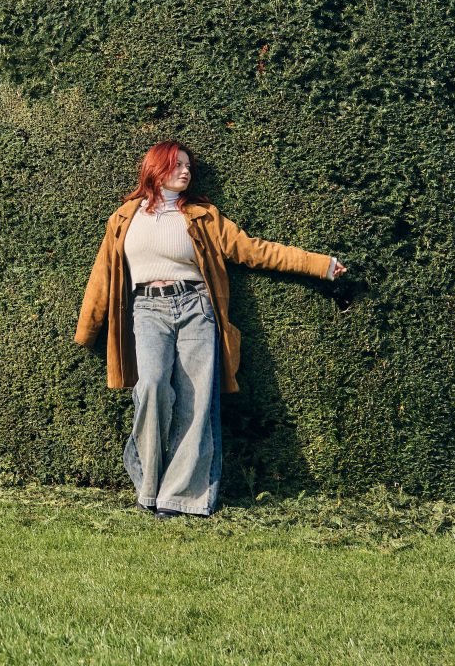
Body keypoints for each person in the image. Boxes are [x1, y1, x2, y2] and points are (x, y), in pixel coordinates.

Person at [74, 142, 346, 517]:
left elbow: (256, 250)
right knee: (151, 386)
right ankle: (148, 485)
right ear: (156, 168)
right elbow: (102, 276)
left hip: (195, 307)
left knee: (197, 401)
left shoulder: (203, 216)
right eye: (177, 165)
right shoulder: (123, 218)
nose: (185, 172)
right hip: (147, 309)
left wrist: (321, 265)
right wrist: (87, 330)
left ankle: (180, 499)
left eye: (188, 166)